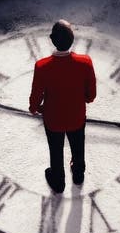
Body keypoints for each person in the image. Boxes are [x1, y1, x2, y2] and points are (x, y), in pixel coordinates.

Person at [28, 20, 96, 193]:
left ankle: (58, 182)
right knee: (78, 145)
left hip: (53, 119)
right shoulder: (85, 62)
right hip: (77, 116)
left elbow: (36, 96)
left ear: (52, 40)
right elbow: (91, 96)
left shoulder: (42, 67)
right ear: (72, 39)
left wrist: (34, 108)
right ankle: (78, 173)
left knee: (56, 151)